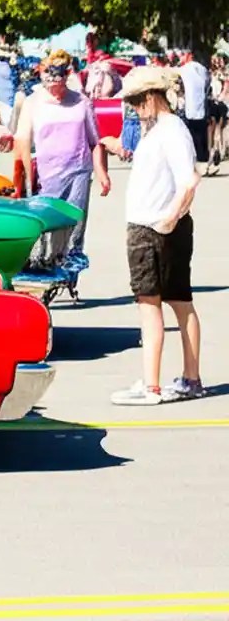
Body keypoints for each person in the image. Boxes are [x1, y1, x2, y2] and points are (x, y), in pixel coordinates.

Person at [97, 66, 203, 405]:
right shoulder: (161, 130)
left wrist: (168, 220)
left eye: (137, 101)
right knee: (178, 302)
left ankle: (152, 385)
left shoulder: (170, 130)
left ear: (153, 97)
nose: (133, 108)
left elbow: (189, 180)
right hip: (158, 224)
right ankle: (190, 378)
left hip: (152, 227)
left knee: (150, 304)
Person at [12, 49, 109, 259]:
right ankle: (47, 268)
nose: (56, 90)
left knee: (74, 227)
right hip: (46, 177)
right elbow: (22, 142)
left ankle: (70, 272)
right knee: (47, 229)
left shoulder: (81, 102)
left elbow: (95, 142)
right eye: (50, 84)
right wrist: (23, 181)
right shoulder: (33, 103)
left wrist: (102, 173)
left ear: (67, 76)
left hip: (78, 174)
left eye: (60, 83)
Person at [178, 51, 211, 173]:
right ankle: (204, 163)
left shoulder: (184, 70)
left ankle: (195, 164)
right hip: (201, 108)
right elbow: (207, 82)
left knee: (192, 138)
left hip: (190, 109)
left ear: (189, 56)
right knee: (202, 137)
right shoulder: (202, 69)